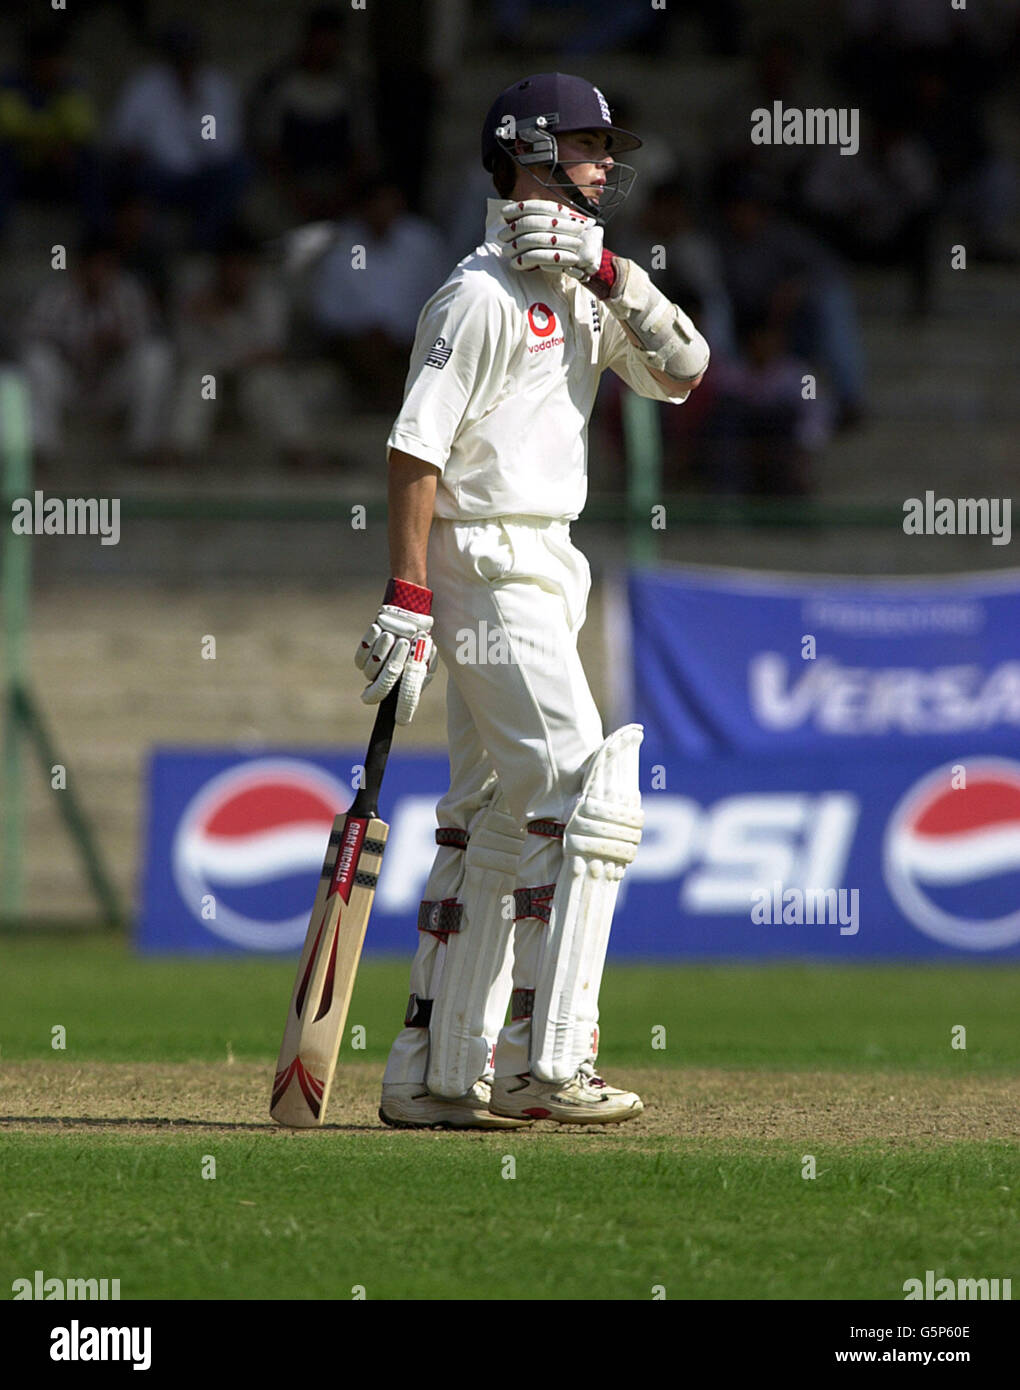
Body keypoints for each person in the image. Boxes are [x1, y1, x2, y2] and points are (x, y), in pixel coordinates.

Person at [354, 74, 708, 1129]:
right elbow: (414, 450)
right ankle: (546, 1057)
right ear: (530, 154)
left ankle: (431, 1069)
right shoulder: (475, 295)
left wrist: (613, 275)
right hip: (484, 558)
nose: (608, 169)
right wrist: (410, 597)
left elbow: (686, 372)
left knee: (492, 815)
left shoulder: (588, 281)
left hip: (544, 564)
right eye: (590, 150)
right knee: (581, 796)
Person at [22, 230, 172, 462]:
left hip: (110, 384)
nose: (101, 272)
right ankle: (42, 447)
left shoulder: (129, 292)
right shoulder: (57, 294)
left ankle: (144, 444)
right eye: (96, 265)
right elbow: (31, 338)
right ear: (81, 266)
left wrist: (118, 341)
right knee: (37, 358)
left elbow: (148, 335)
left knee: (156, 356)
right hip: (71, 384)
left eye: (108, 265)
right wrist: (77, 342)